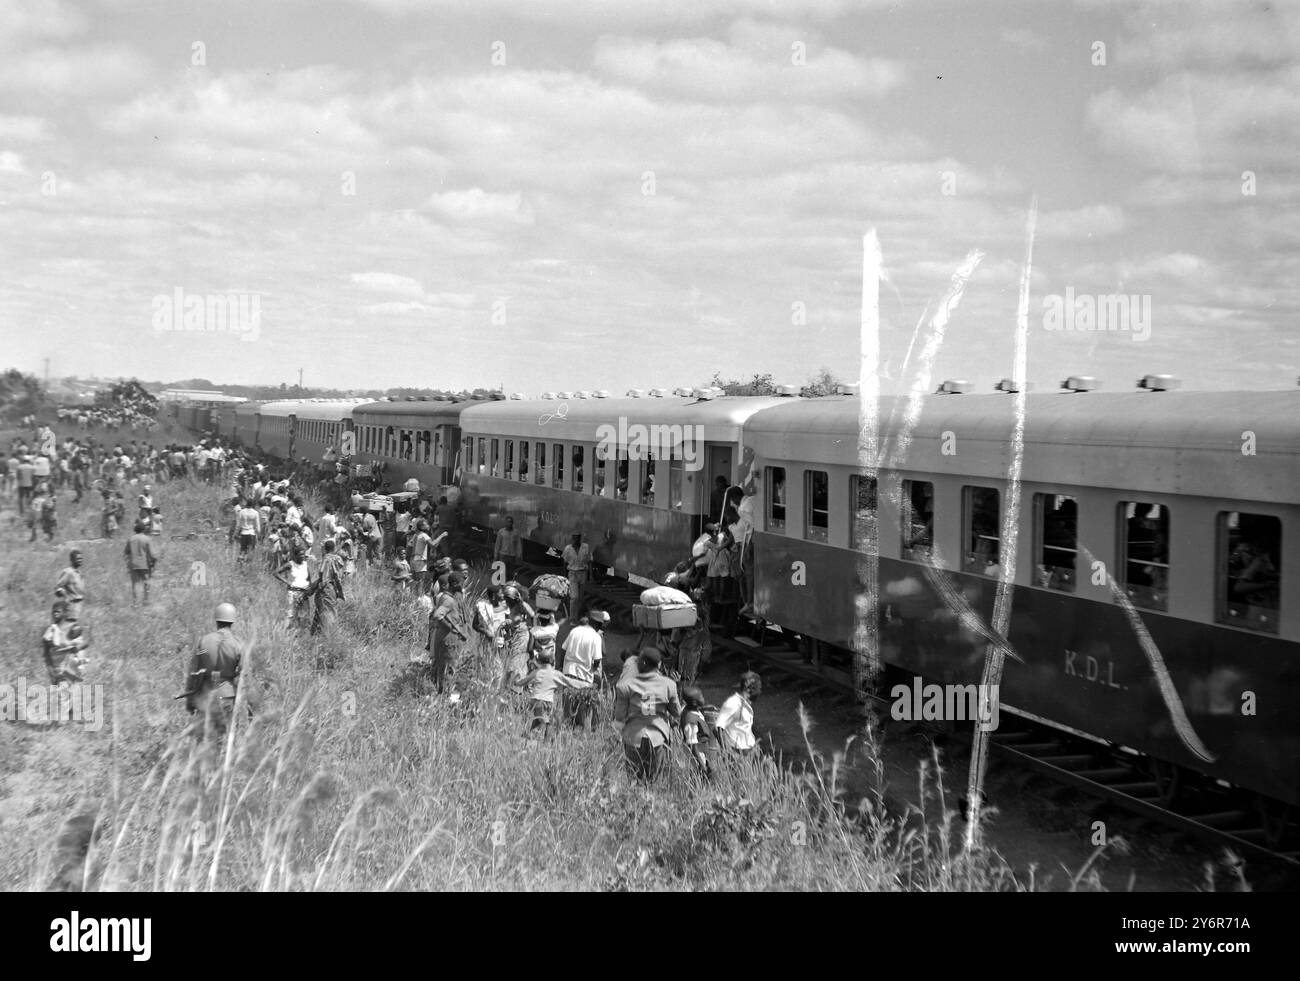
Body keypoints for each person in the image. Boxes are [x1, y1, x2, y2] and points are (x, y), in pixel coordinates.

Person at [184, 602, 257, 737]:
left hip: (205, 696)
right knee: (224, 738)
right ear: (232, 621)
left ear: (216, 620)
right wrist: (251, 708)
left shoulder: (203, 642)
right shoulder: (238, 644)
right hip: (226, 697)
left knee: (203, 739)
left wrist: (189, 700)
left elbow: (193, 673)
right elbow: (246, 678)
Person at [613, 648, 683, 782]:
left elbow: (619, 717)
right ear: (659, 665)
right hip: (658, 738)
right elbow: (677, 712)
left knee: (634, 781)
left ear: (641, 664)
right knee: (654, 780)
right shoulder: (669, 685)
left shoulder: (625, 686)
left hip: (633, 738)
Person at [561, 610, 607, 729]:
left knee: (568, 708)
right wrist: (592, 670)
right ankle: (584, 736)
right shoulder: (596, 637)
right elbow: (597, 660)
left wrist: (562, 666)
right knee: (585, 710)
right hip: (584, 677)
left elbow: (563, 649)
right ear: (597, 625)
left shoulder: (574, 631)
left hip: (568, 673)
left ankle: (565, 732)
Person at [521, 649, 579, 739]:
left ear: (539, 660)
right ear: (552, 661)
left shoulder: (536, 672)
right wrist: (586, 685)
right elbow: (570, 682)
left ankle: (525, 736)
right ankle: (546, 742)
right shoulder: (555, 674)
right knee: (548, 722)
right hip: (545, 702)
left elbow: (523, 681)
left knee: (537, 720)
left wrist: (515, 682)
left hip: (533, 700)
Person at [428, 573, 470, 696]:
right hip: (449, 640)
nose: (463, 586)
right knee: (449, 668)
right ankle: (446, 695)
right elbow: (438, 615)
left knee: (444, 668)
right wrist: (451, 628)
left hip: (446, 639)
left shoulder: (446, 597)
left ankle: (442, 693)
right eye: (461, 583)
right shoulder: (449, 600)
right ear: (455, 584)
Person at [715, 671, 761, 756]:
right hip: (737, 751)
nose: (759, 691)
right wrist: (726, 751)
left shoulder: (745, 705)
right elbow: (719, 727)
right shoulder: (733, 703)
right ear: (748, 689)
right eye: (757, 688)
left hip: (748, 750)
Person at [43, 605, 89, 685]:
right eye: (54, 612)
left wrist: (77, 648)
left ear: (64, 613)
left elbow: (85, 642)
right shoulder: (51, 629)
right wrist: (50, 669)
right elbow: (46, 650)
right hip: (55, 665)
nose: (55, 614)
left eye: (58, 611)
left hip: (70, 663)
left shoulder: (72, 626)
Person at [311, 539, 346, 635]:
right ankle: (321, 634)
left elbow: (321, 571)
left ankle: (322, 634)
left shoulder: (325, 559)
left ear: (325, 549)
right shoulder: (338, 559)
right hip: (333, 589)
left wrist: (321, 580)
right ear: (334, 548)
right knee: (329, 612)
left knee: (323, 612)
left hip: (325, 588)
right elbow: (340, 574)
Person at [680, 687, 715, 776]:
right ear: (695, 702)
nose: (703, 698)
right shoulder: (691, 721)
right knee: (701, 773)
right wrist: (700, 763)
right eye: (701, 697)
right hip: (697, 752)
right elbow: (692, 744)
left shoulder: (690, 709)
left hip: (701, 749)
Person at [275, 546, 312, 628]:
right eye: (300, 555)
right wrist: (287, 582)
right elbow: (276, 573)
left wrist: (309, 590)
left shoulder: (305, 564)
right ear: (295, 555)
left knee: (304, 615)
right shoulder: (290, 564)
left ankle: (300, 633)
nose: (302, 556)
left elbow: (309, 579)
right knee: (290, 614)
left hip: (303, 593)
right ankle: (284, 632)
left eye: (303, 554)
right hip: (293, 592)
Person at [124, 520, 157, 604]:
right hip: (144, 564)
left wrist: (128, 563)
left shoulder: (131, 539)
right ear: (143, 529)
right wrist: (154, 562)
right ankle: (146, 600)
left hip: (133, 564)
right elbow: (152, 554)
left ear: (135, 529)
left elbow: (126, 552)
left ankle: (135, 603)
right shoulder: (147, 539)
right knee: (146, 582)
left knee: (135, 584)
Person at [561, 531, 591, 614]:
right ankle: (572, 618)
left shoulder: (586, 547)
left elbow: (589, 561)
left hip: (583, 573)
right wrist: (564, 577)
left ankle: (577, 615)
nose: (576, 539)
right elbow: (565, 563)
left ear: (580, 538)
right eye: (574, 537)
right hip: (572, 574)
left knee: (580, 598)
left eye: (578, 537)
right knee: (574, 597)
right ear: (572, 538)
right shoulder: (568, 549)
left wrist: (590, 576)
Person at [54, 549, 86, 622]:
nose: (80, 560)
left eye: (81, 558)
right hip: (71, 605)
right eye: (78, 559)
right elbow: (58, 587)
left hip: (79, 605)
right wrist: (66, 597)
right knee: (69, 626)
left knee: (75, 629)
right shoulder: (68, 572)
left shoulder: (78, 573)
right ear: (72, 560)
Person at [494, 516, 522, 581]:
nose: (509, 523)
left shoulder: (516, 532)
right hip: (503, 555)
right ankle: (501, 586)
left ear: (512, 523)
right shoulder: (501, 532)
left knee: (510, 573)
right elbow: (497, 544)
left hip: (512, 556)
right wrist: (496, 555)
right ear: (505, 523)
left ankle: (508, 586)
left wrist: (519, 555)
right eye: (508, 522)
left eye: (510, 522)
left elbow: (518, 544)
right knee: (501, 573)